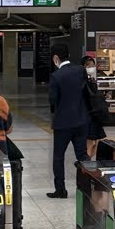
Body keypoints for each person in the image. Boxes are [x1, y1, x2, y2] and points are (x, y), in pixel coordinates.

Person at [46, 42, 90, 198]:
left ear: (56, 58)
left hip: (62, 123)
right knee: (83, 155)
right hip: (81, 119)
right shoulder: (80, 70)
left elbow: (53, 100)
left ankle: (61, 190)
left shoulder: (56, 76)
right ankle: (88, 187)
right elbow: (86, 92)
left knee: (58, 157)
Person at [82, 56, 109, 159]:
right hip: (88, 115)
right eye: (88, 65)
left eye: (92, 65)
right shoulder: (82, 81)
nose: (91, 67)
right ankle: (87, 164)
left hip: (96, 115)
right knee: (90, 143)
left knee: (96, 143)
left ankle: (90, 161)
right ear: (83, 67)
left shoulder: (92, 80)